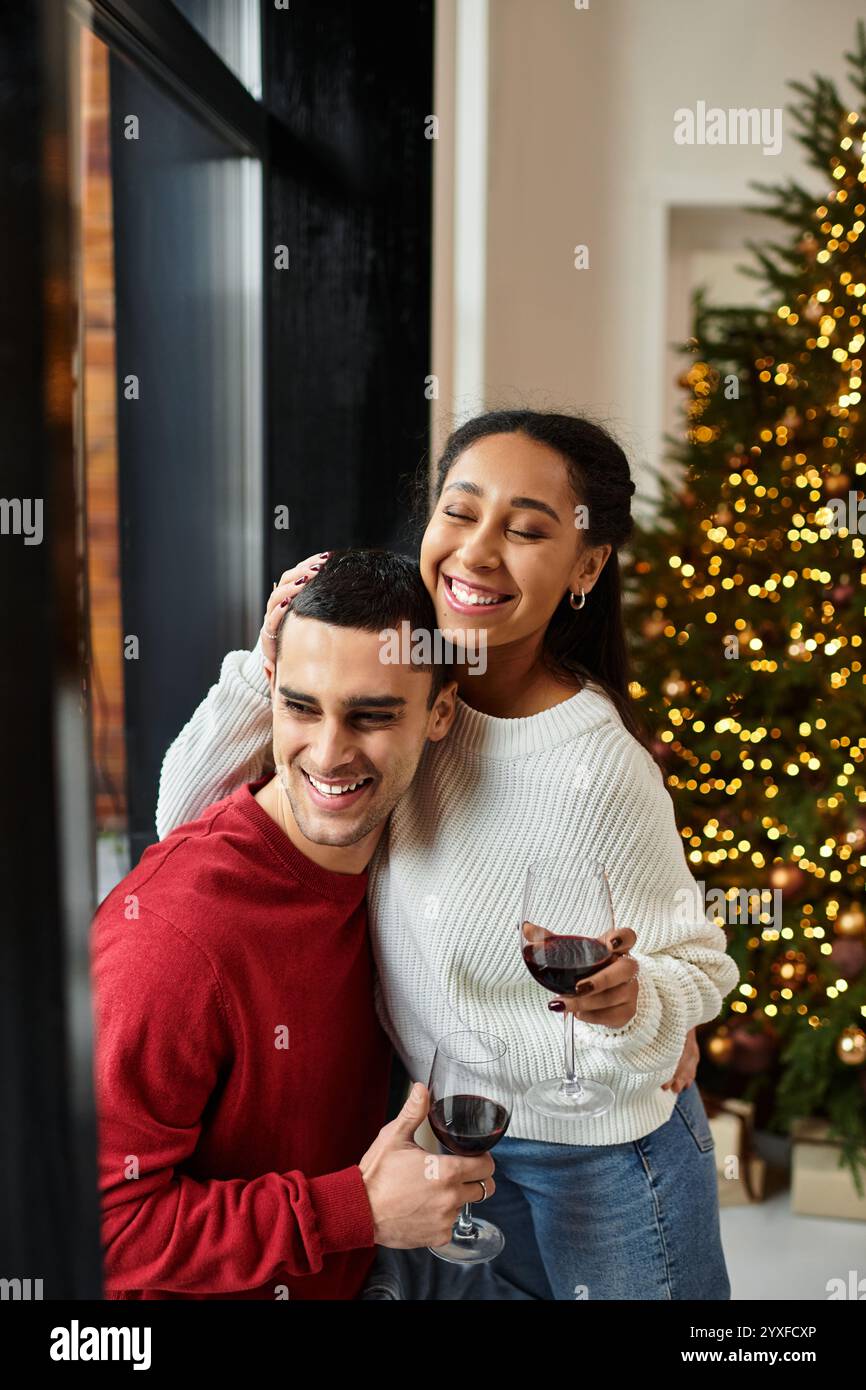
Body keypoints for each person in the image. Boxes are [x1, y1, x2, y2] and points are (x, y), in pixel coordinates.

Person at [157, 410, 740, 1300]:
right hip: (450, 1141)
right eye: (460, 513)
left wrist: (641, 1003)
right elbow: (184, 819)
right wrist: (265, 660)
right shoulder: (398, 690)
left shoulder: (596, 764)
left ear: (586, 565)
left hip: (606, 1162)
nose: (477, 552)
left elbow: (697, 962)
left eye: (528, 529)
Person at [91, 549, 510, 1301]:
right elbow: (102, 1228)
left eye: (372, 715)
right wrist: (356, 1208)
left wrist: (647, 998)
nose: (327, 754)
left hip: (365, 1266)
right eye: (301, 707)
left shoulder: (400, 855)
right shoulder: (167, 942)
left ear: (440, 714)